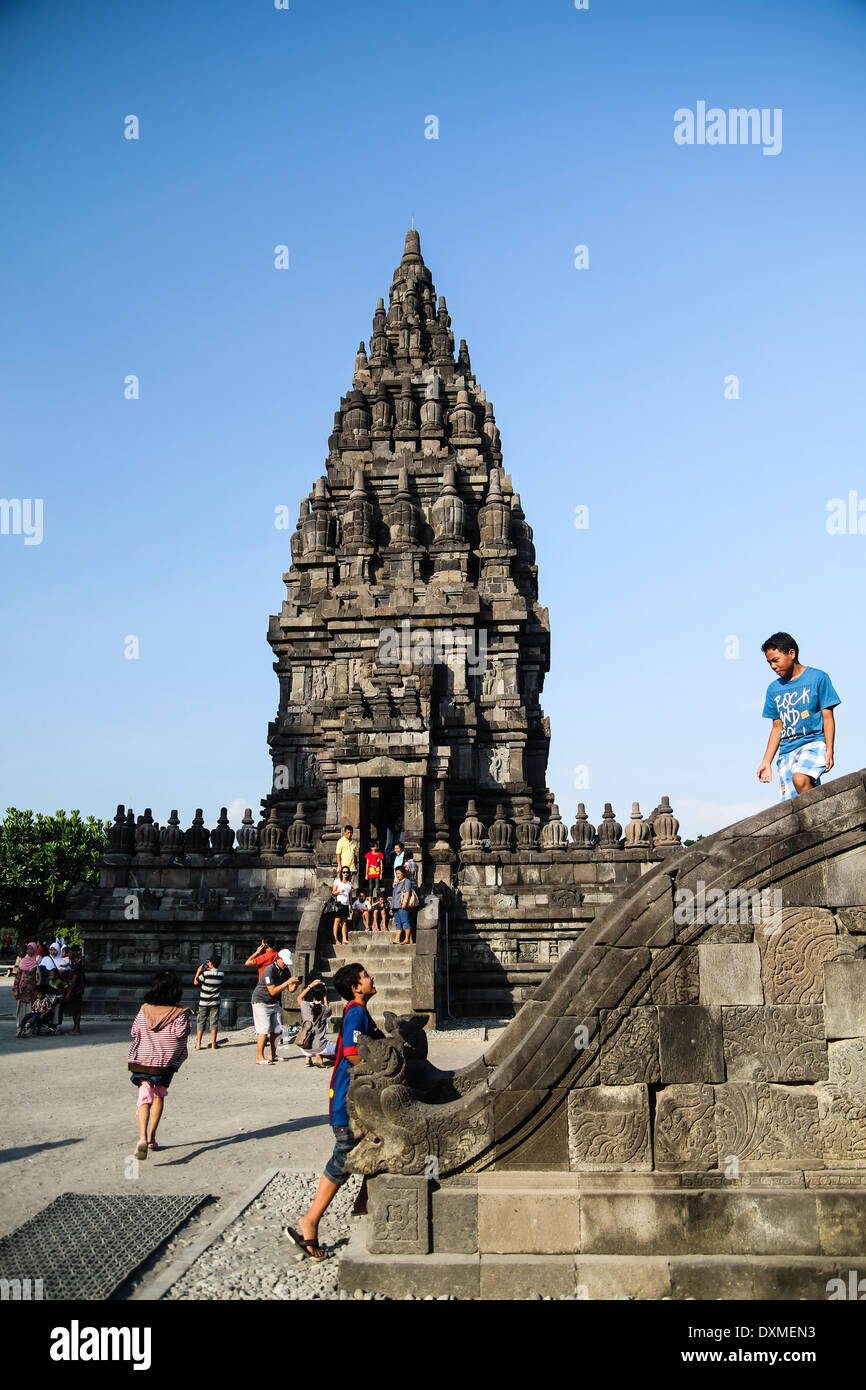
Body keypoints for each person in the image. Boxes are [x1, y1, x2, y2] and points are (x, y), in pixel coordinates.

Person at [286, 962, 380, 1257]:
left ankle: (364, 1202)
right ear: (355, 987)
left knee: (378, 1145)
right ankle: (309, 1221)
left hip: (356, 1098)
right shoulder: (355, 1012)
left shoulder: (360, 1012)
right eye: (365, 976)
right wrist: (380, 1072)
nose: (371, 978)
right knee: (343, 1156)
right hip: (347, 1101)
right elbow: (352, 1054)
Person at [758, 633, 841, 801]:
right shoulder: (773, 689)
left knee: (800, 778)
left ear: (791, 654)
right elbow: (777, 727)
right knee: (794, 803)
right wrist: (766, 761)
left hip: (814, 743)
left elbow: (827, 717)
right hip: (787, 751)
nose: (773, 666)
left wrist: (830, 748)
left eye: (776, 660)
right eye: (769, 663)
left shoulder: (818, 678)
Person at [128, 970, 190, 1158]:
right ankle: (151, 1137)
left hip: (143, 1061)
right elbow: (181, 1034)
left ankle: (141, 1137)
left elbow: (134, 1031)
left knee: (144, 1096)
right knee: (159, 1095)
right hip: (164, 1063)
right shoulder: (179, 1013)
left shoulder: (144, 1009)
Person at [251, 949, 299, 1065]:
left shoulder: (286, 970)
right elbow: (272, 991)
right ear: (278, 958)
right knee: (263, 1029)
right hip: (260, 1002)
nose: (286, 964)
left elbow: (290, 990)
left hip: (274, 1002)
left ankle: (273, 1054)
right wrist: (287, 983)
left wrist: (296, 985)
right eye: (284, 962)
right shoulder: (269, 970)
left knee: (277, 1030)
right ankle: (260, 1057)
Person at [296, 976, 332, 1067]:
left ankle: (308, 1058)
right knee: (339, 1055)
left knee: (311, 1046)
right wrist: (325, 996)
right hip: (320, 1046)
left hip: (304, 1046)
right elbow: (326, 1007)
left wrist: (310, 986)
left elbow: (299, 998)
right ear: (324, 994)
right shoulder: (326, 1010)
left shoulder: (305, 1005)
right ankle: (319, 1056)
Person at [193, 953, 224, 1050]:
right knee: (213, 1022)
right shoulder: (221, 974)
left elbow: (195, 982)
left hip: (203, 1002)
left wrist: (199, 971)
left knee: (201, 1021)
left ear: (211, 963)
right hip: (215, 1002)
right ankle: (214, 1044)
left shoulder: (205, 974)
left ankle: (198, 1044)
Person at [12, 943, 41, 1032]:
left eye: (31, 949)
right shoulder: (23, 961)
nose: (29, 951)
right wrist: (15, 989)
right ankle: (20, 1025)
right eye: (28, 949)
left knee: (31, 1008)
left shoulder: (38, 960)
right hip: (22, 990)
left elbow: (40, 976)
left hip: (32, 991)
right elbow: (18, 977)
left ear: (35, 949)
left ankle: (30, 1026)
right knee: (21, 1008)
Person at [63, 944, 86, 1035]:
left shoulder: (77, 963)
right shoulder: (73, 962)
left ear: (74, 953)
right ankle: (75, 1027)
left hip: (76, 989)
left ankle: (77, 1028)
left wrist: (69, 992)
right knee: (73, 1009)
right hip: (75, 988)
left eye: (70, 952)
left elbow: (74, 979)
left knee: (76, 1009)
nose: (68, 954)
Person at [390, 866, 413, 945]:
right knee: (398, 923)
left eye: (399, 873)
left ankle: (407, 939)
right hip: (396, 906)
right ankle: (397, 939)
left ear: (403, 873)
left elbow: (407, 892)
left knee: (405, 921)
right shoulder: (397, 883)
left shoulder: (406, 881)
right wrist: (391, 907)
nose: (397, 875)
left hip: (402, 905)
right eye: (396, 873)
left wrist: (405, 902)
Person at [331, 866, 353, 945]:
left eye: (347, 872)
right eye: (344, 872)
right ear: (341, 873)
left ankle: (344, 939)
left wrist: (350, 905)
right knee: (337, 921)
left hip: (346, 904)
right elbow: (333, 892)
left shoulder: (350, 883)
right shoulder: (337, 881)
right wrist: (339, 891)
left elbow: (350, 895)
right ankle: (336, 939)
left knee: (344, 922)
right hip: (339, 904)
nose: (345, 874)